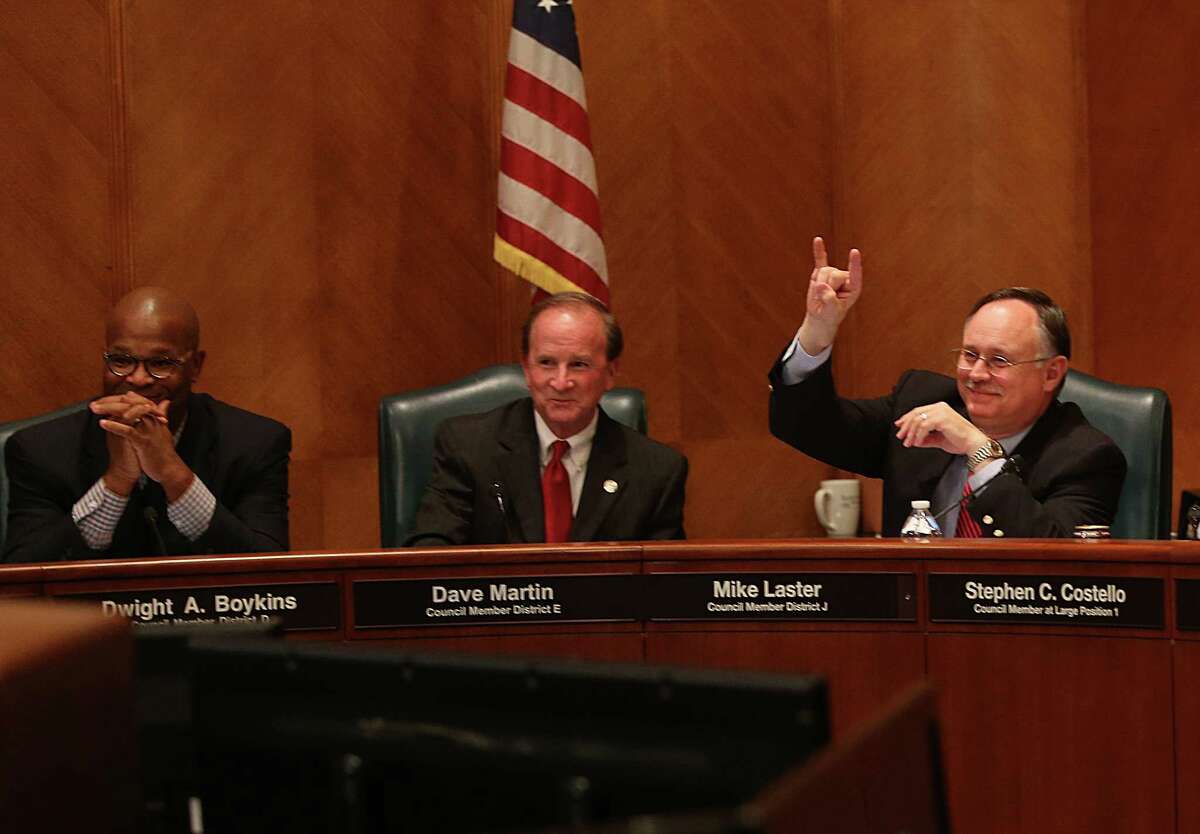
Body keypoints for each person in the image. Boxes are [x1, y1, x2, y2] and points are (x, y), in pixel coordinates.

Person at [768, 237, 1126, 538]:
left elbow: (1059, 560)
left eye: (999, 361)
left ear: (1051, 373)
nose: (976, 374)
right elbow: (804, 425)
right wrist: (818, 331)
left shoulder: (1086, 457)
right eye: (970, 354)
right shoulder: (922, 402)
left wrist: (979, 450)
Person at [3, 287, 290, 562]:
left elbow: (273, 575)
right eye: (121, 360)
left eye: (161, 363)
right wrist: (116, 482)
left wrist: (173, 474)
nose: (138, 379)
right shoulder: (39, 450)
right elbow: (21, 582)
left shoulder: (255, 443)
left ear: (195, 367)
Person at [407, 292, 687, 545]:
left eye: (579, 364)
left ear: (611, 373)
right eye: (546, 363)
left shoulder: (656, 472)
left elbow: (662, 585)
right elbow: (431, 552)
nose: (561, 382)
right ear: (527, 371)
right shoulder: (468, 447)